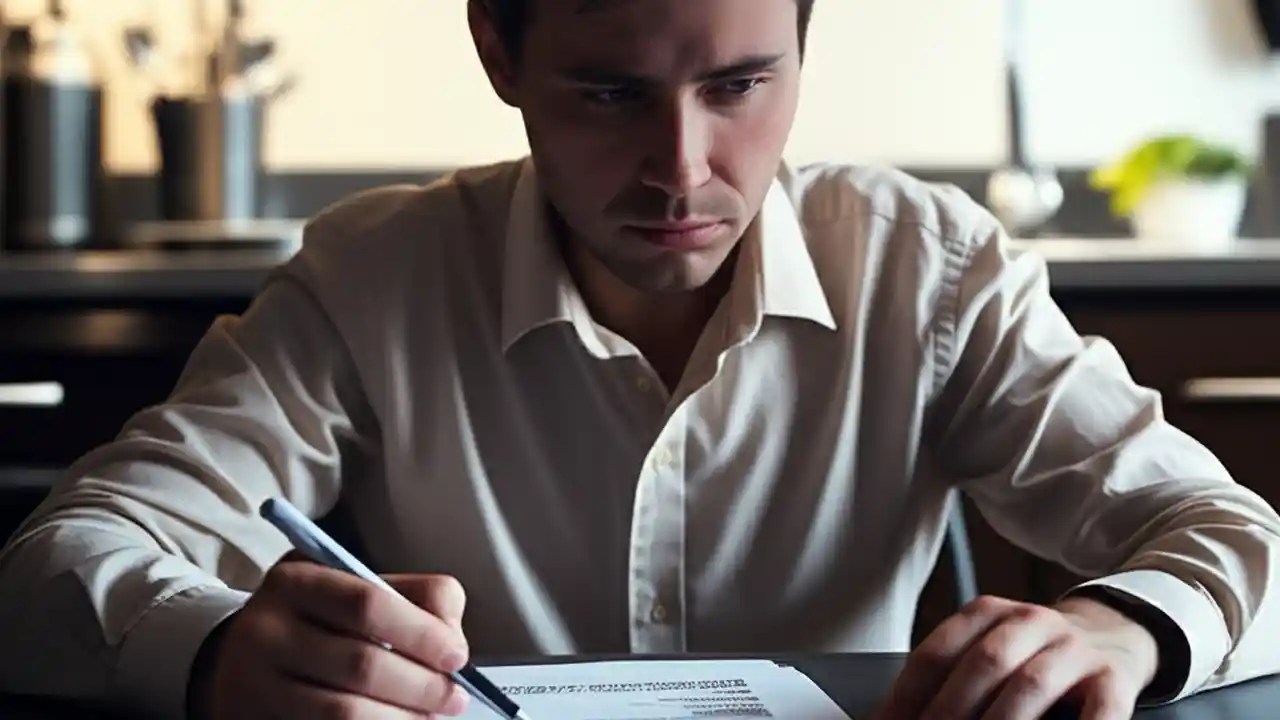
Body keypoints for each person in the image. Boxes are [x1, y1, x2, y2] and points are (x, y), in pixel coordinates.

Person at [2, 1, 1279, 718]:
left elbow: (1231, 536)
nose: (681, 168)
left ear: (802, 47)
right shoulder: (368, 277)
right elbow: (56, 566)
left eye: (737, 86)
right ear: (496, 52)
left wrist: (1125, 628)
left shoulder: (927, 266)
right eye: (610, 94)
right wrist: (216, 651)